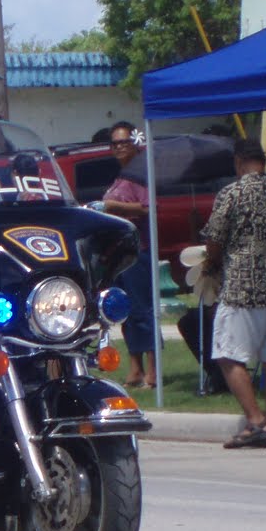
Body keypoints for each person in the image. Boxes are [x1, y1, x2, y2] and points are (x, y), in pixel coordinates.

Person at [201, 138, 266, 448]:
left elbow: (214, 238)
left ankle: (255, 421)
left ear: (239, 162)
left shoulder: (232, 193)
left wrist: (211, 264)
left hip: (245, 287)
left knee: (228, 355)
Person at [98, 121, 156, 387]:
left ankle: (153, 370)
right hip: (118, 254)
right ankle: (135, 368)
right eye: (115, 143)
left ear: (135, 143)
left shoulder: (142, 174)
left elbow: (148, 208)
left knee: (143, 310)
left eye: (124, 141)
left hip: (138, 250)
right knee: (125, 310)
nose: (119, 147)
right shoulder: (120, 177)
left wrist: (112, 206)